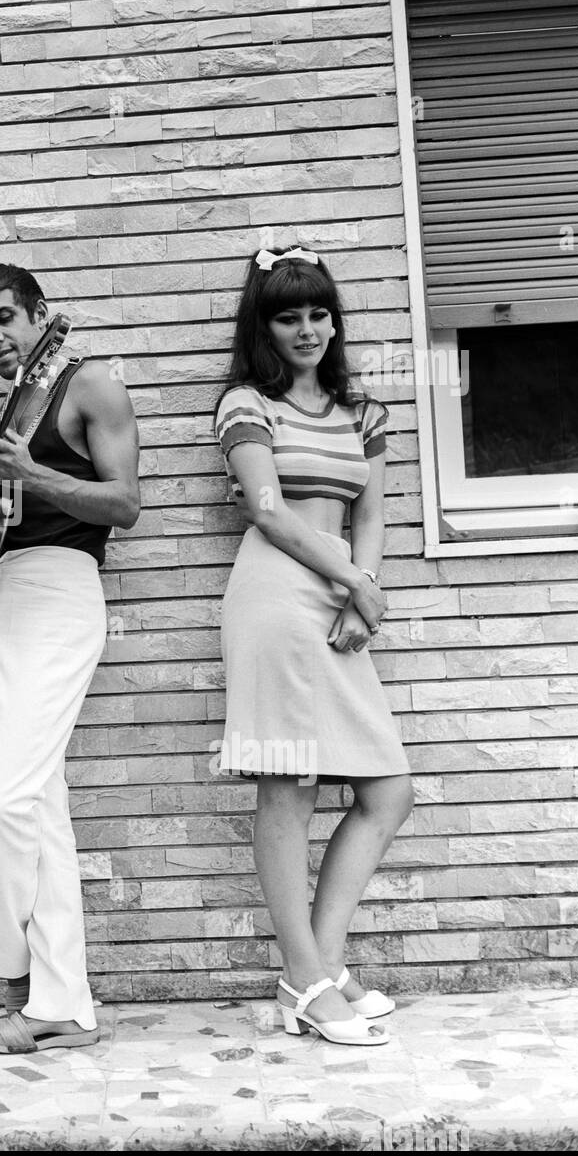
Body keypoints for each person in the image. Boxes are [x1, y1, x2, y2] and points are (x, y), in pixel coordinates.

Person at [0, 263, 140, 1053]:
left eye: (5, 318)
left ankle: (24, 977)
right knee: (39, 805)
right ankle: (63, 1004)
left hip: (61, 592)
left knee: (0, 798)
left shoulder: (92, 389)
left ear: (42, 313)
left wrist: (34, 472)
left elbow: (126, 505)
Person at [213, 246, 414, 1047]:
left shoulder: (362, 415)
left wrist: (363, 591)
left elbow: (371, 513)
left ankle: (316, 970)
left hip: (338, 603)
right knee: (289, 786)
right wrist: (357, 585)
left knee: (387, 789)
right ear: (264, 327)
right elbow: (268, 511)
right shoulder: (244, 406)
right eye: (288, 315)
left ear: (335, 321)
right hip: (274, 599)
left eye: (318, 313)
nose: (307, 329)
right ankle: (308, 979)